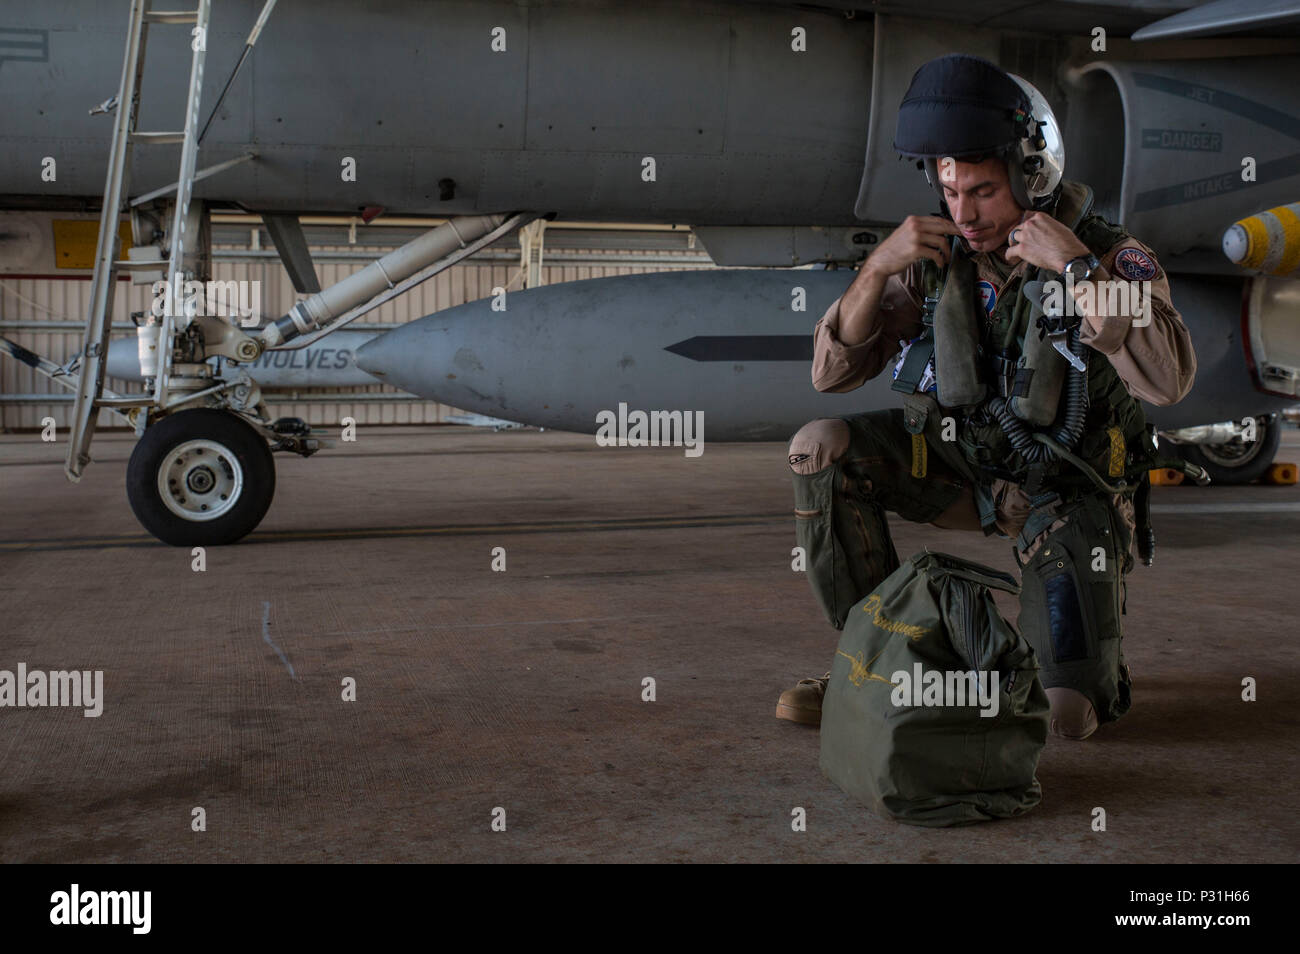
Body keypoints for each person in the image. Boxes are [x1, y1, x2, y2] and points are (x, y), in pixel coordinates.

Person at [778, 54, 1196, 740]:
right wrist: (878, 266)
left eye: (984, 192)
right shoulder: (939, 256)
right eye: (951, 191)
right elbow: (834, 373)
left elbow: (1168, 376)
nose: (964, 214)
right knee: (819, 447)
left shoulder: (1107, 252)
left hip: (1071, 493)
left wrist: (1076, 267)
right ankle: (870, 665)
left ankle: (1064, 656)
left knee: (1064, 720)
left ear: (1032, 177)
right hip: (969, 468)